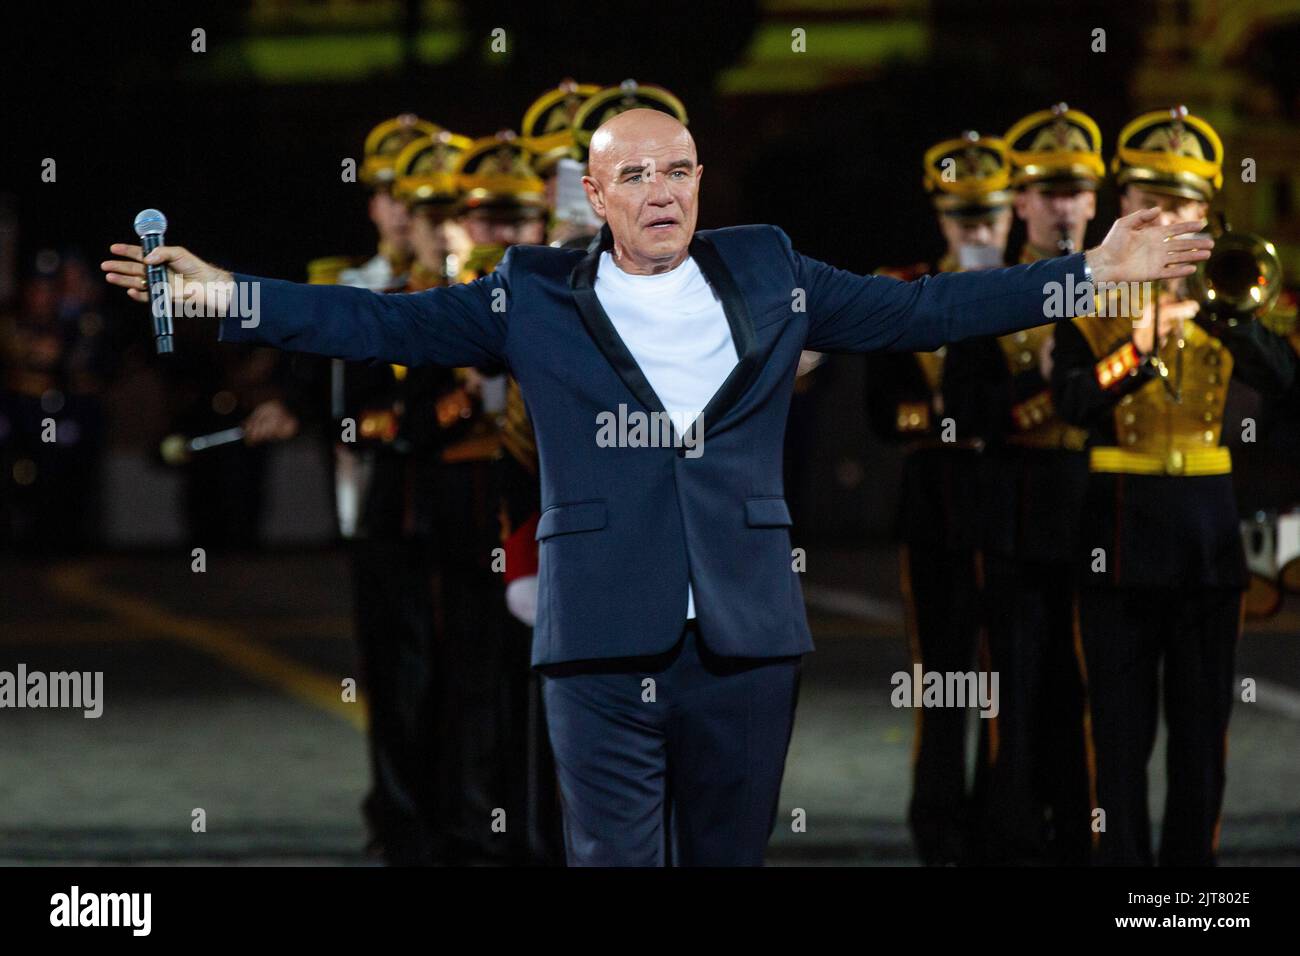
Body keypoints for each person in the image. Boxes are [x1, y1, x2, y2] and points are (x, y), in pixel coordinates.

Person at [103, 107, 1212, 866]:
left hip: (745, 635)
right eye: (632, 174)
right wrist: (227, 296)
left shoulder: (770, 267)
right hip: (596, 637)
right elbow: (379, 320)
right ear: (591, 194)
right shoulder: (530, 291)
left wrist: (1088, 275)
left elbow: (925, 315)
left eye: (676, 169)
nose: (661, 190)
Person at [1051, 106, 1294, 865]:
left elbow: (1286, 381)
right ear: (1124, 202)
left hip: (1207, 541)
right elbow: (1070, 402)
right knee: (1118, 734)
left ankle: (1189, 891)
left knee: (1201, 735)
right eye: (1149, 195)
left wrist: (1228, 321)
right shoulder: (1084, 297)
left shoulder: (1230, 298)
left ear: (1208, 211)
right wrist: (1139, 345)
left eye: (1184, 200)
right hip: (1117, 535)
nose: (1165, 213)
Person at [943, 105, 1099, 865]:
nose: (1064, 206)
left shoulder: (1119, 291)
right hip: (1015, 512)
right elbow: (963, 413)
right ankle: (1005, 844)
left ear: (1095, 202)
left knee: (1092, 699)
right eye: (1048, 192)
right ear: (1022, 200)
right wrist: (1047, 392)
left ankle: (1081, 841)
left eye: (1076, 192)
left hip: (1104, 517)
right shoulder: (993, 292)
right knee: (1015, 690)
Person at [866, 130, 1013, 865]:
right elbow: (885, 413)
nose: (979, 232)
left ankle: (1000, 819)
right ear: (941, 218)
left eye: (989, 217)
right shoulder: (907, 289)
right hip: (936, 498)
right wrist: (962, 417)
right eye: (964, 218)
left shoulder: (1033, 289)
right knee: (942, 672)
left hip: (1010, 500)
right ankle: (938, 820)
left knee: (1011, 672)